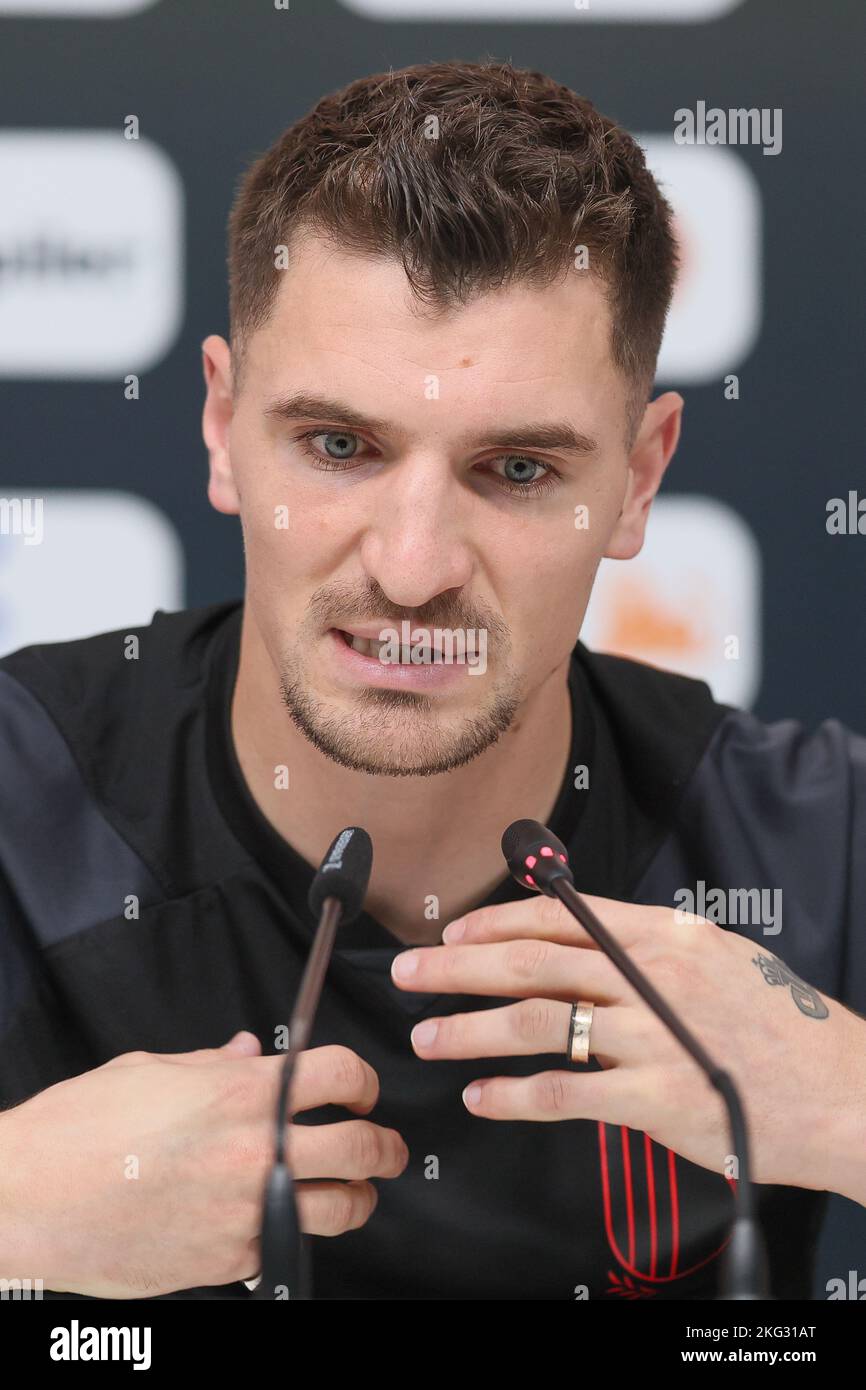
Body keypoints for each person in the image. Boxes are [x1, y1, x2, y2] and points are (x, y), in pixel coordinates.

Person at [1, 59, 864, 1303]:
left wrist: (843, 1104)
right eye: (339, 446)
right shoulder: (20, 807)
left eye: (515, 470)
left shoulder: (806, 843)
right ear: (221, 427)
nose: (411, 570)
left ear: (635, 478)